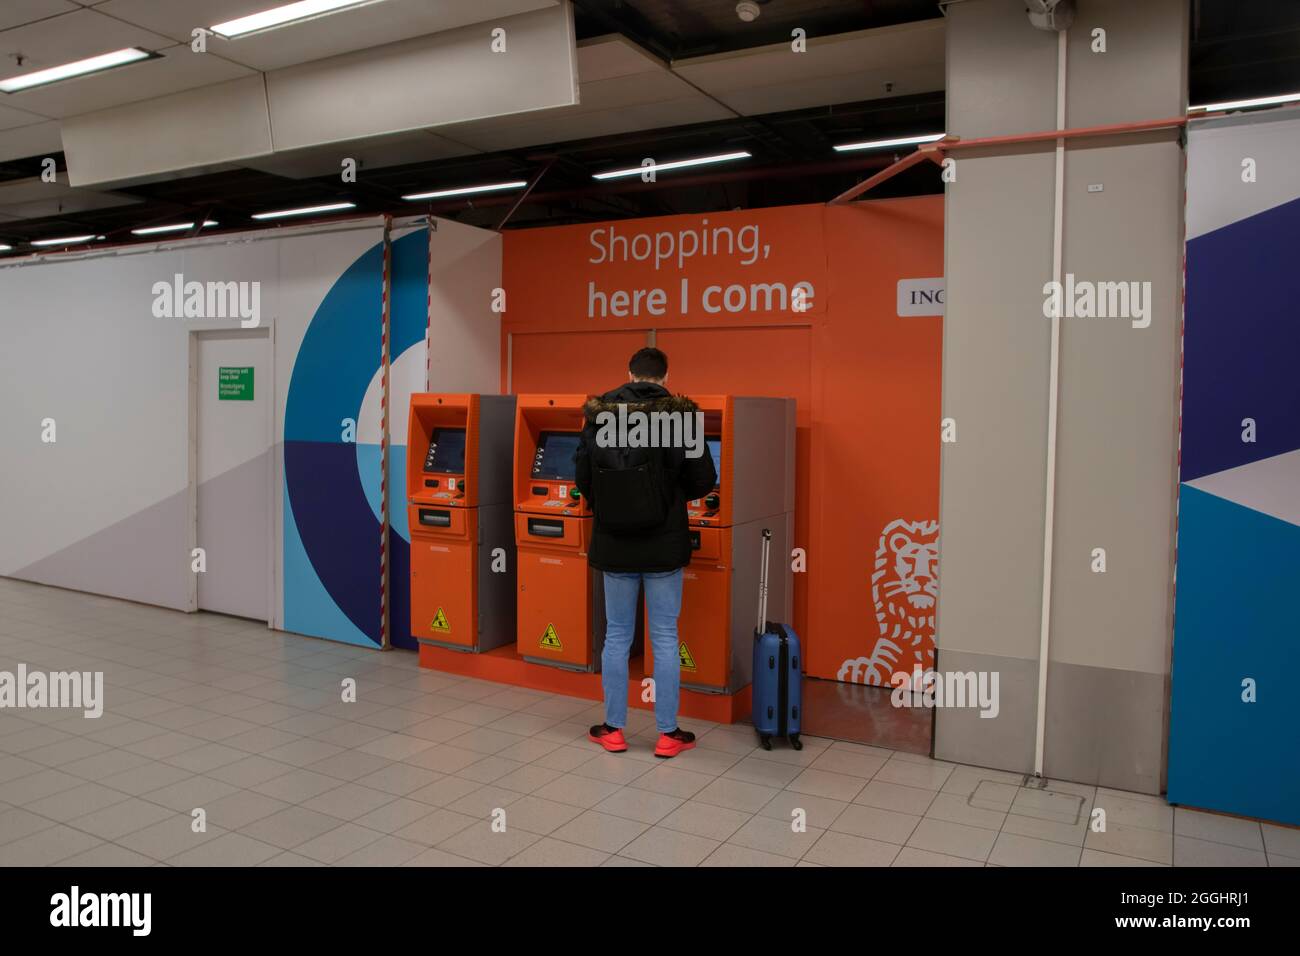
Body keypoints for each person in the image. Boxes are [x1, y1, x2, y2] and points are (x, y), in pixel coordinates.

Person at [575, 347, 717, 758]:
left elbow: (583, 477)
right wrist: (670, 498)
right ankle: (668, 733)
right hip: (664, 541)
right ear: (666, 376)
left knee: (617, 635)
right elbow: (704, 479)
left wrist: (613, 504)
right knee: (665, 636)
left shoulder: (600, 414)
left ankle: (614, 730)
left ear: (629, 373)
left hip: (614, 540)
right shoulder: (681, 417)